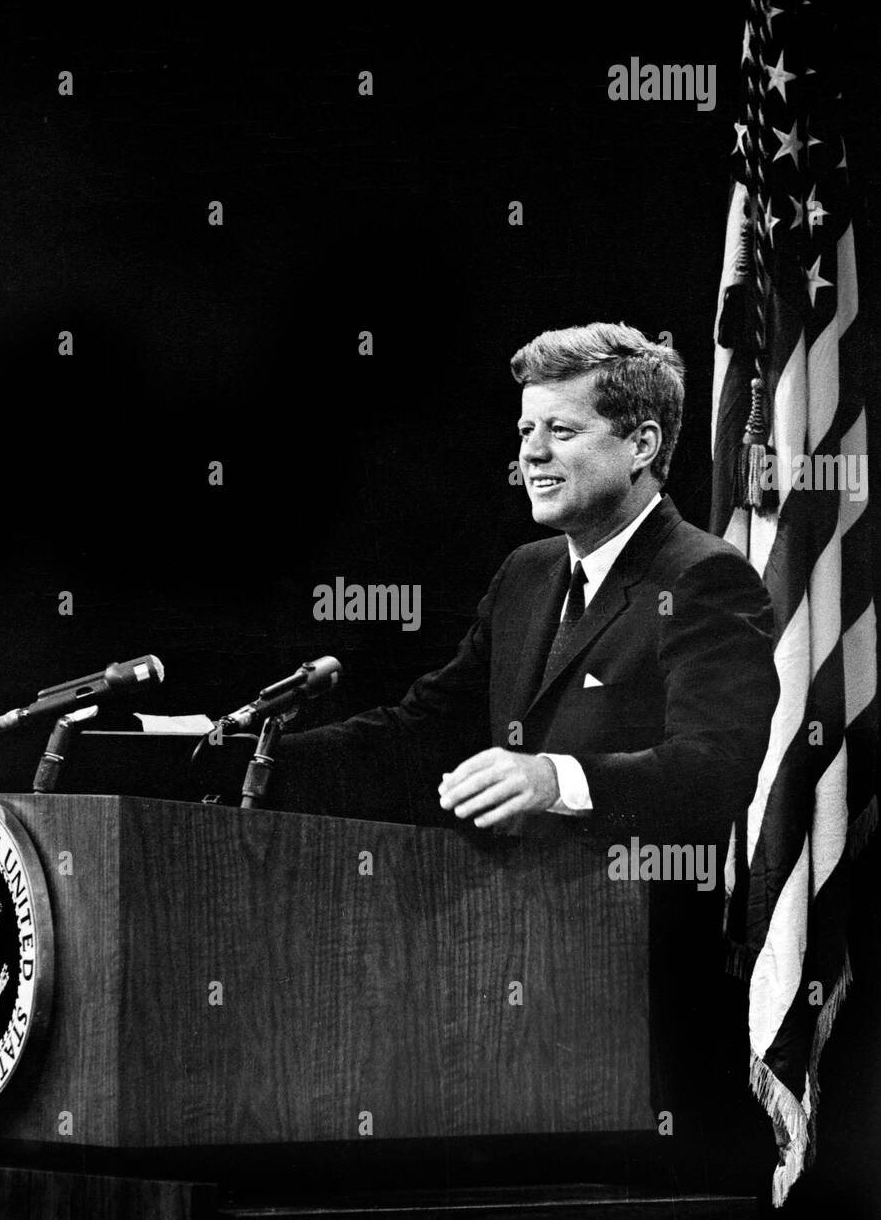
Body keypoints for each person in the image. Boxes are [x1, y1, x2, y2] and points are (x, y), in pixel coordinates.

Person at [275, 320, 780, 847]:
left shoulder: (704, 577)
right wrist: (249, 750)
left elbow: (717, 768)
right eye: (525, 432)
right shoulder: (526, 572)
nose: (533, 454)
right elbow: (424, 730)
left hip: (632, 917)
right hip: (508, 916)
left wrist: (554, 779)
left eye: (561, 431)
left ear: (642, 445)